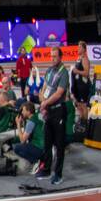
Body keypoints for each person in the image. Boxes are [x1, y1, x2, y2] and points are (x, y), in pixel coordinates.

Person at [36, 46, 69, 186]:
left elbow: (59, 93)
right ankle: (47, 169)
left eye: (55, 56)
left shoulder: (64, 73)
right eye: (51, 56)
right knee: (47, 143)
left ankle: (58, 174)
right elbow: (44, 88)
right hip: (48, 111)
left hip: (58, 111)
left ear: (61, 57)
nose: (53, 58)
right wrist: (43, 102)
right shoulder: (49, 70)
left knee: (59, 145)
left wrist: (45, 104)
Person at [11, 101, 46, 168]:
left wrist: (18, 124)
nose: (22, 112)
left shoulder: (31, 122)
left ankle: (36, 161)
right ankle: (41, 160)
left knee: (16, 147)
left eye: (23, 111)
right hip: (46, 147)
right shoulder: (38, 115)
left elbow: (22, 140)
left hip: (39, 148)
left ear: (29, 111)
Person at [71, 41, 92, 129]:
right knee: (79, 105)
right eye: (78, 47)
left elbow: (86, 73)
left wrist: (77, 71)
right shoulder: (79, 58)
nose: (78, 49)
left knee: (83, 106)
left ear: (84, 49)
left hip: (83, 86)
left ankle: (85, 124)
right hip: (78, 86)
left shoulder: (85, 59)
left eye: (79, 47)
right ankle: (81, 121)